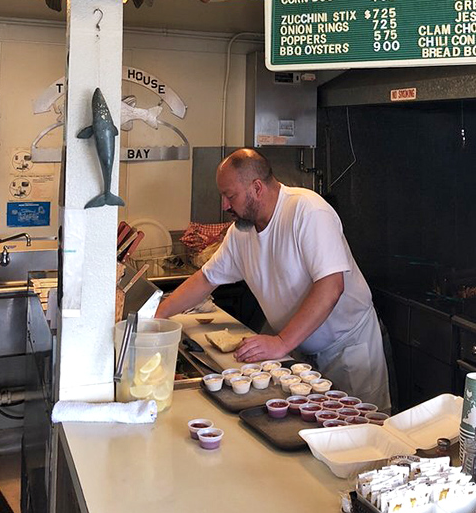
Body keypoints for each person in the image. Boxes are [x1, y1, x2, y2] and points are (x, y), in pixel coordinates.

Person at [156, 148, 390, 410]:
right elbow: (205, 279)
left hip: (347, 350)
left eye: (230, 196)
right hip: (301, 349)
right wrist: (156, 317)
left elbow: (331, 287)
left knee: (356, 425)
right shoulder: (241, 233)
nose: (224, 206)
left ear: (257, 187)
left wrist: (281, 342)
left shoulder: (307, 211)